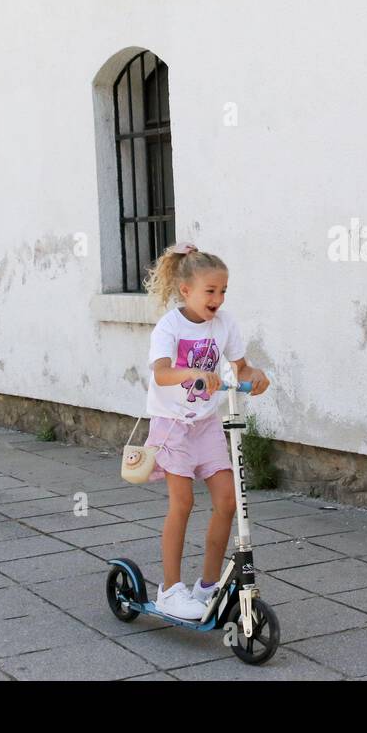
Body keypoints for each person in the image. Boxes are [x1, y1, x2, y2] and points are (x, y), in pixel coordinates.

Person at [141, 241, 270, 618]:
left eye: (223, 291)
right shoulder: (170, 326)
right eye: (211, 291)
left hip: (206, 425)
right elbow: (162, 372)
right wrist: (193, 372)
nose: (218, 298)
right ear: (186, 291)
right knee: (182, 504)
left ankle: (208, 585)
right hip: (173, 427)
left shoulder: (225, 324)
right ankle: (169, 590)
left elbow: (240, 367)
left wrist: (255, 376)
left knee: (228, 502)